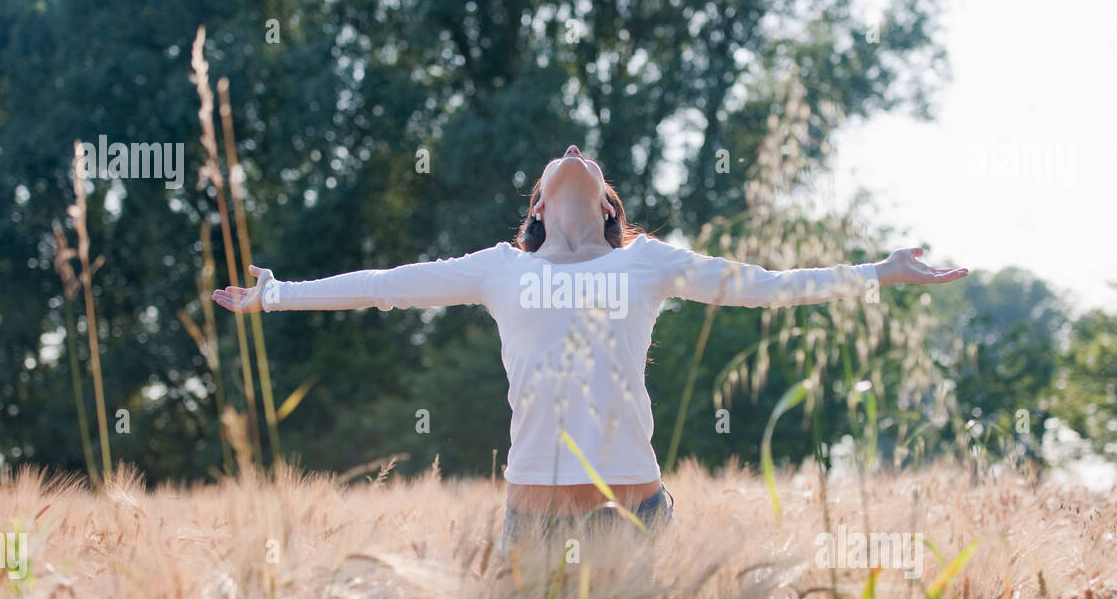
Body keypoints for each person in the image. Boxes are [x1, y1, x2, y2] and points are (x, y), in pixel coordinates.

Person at [214, 145, 968, 550]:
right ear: (537, 206)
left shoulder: (649, 261)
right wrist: (278, 293)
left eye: (591, 159)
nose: (574, 150)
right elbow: (383, 284)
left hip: (633, 514)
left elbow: (766, 285)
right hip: (530, 525)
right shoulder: (497, 269)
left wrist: (881, 272)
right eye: (560, 157)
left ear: (609, 205)